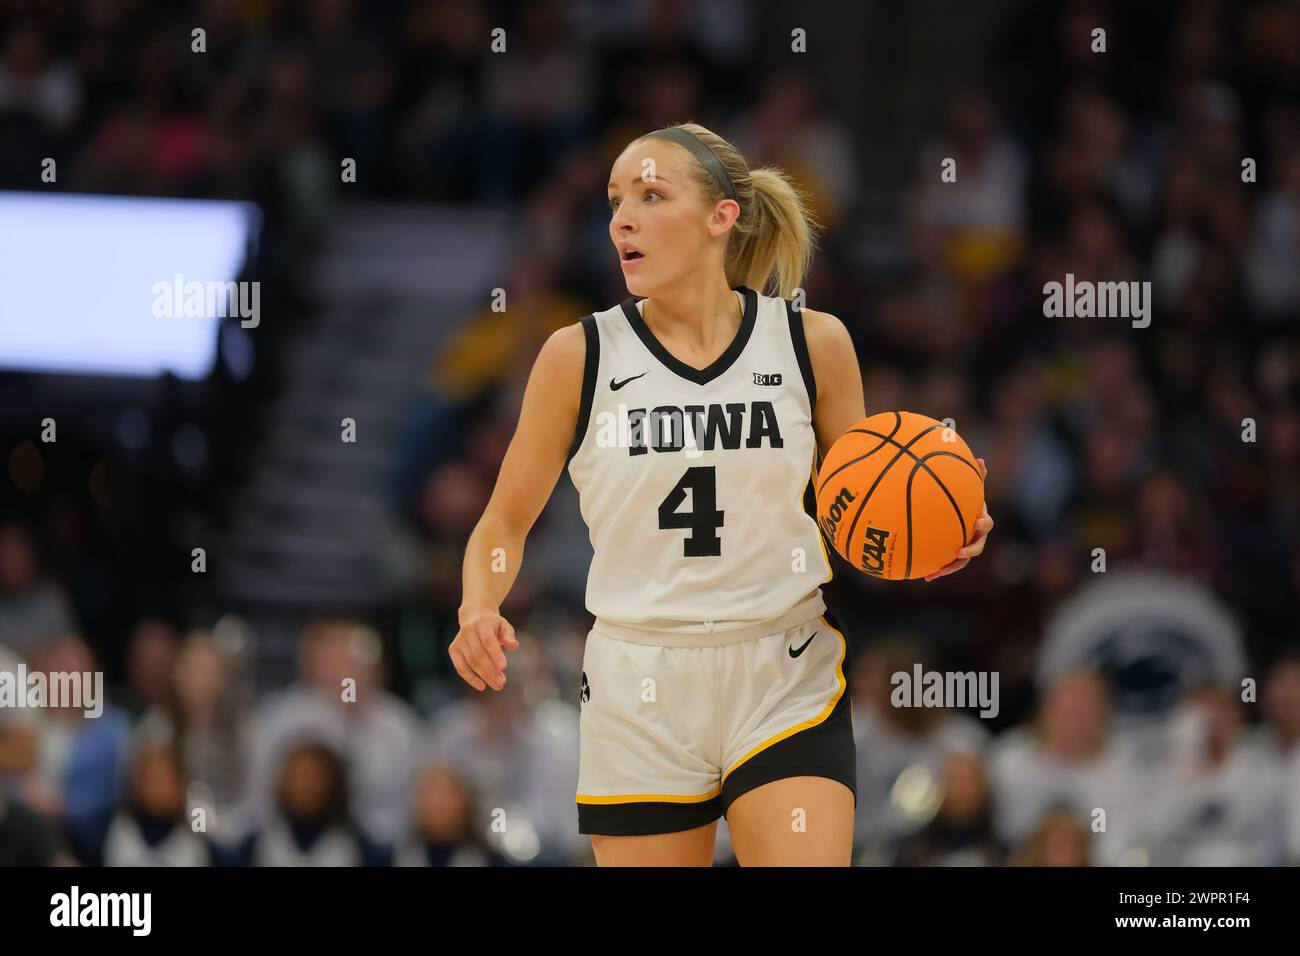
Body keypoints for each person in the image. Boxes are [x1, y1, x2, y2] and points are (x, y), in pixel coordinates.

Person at [451, 122, 994, 866]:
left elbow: (859, 513)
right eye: (615, 202)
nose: (622, 221)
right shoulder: (577, 355)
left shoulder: (815, 343)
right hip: (639, 682)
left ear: (721, 215)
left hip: (783, 669)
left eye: (649, 195)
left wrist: (930, 538)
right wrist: (478, 605)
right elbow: (503, 522)